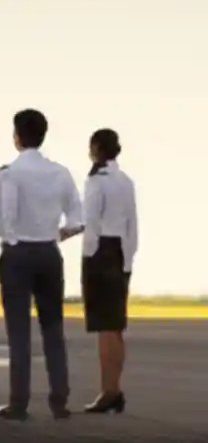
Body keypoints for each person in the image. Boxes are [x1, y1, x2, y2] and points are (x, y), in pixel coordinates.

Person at [0, 108, 80, 420]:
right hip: (48, 253)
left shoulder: (8, 173)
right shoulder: (61, 173)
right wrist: (55, 234)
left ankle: (19, 402)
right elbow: (78, 220)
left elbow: (2, 221)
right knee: (53, 328)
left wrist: (13, 241)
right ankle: (60, 399)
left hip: (18, 254)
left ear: (17, 136)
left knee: (19, 331)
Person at [76, 128, 138, 414]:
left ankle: (108, 391)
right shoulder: (126, 181)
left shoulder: (96, 181)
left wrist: (88, 255)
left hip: (100, 251)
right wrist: (128, 260)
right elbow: (132, 225)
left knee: (104, 327)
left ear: (96, 148)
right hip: (121, 251)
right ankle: (115, 388)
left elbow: (91, 222)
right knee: (116, 326)